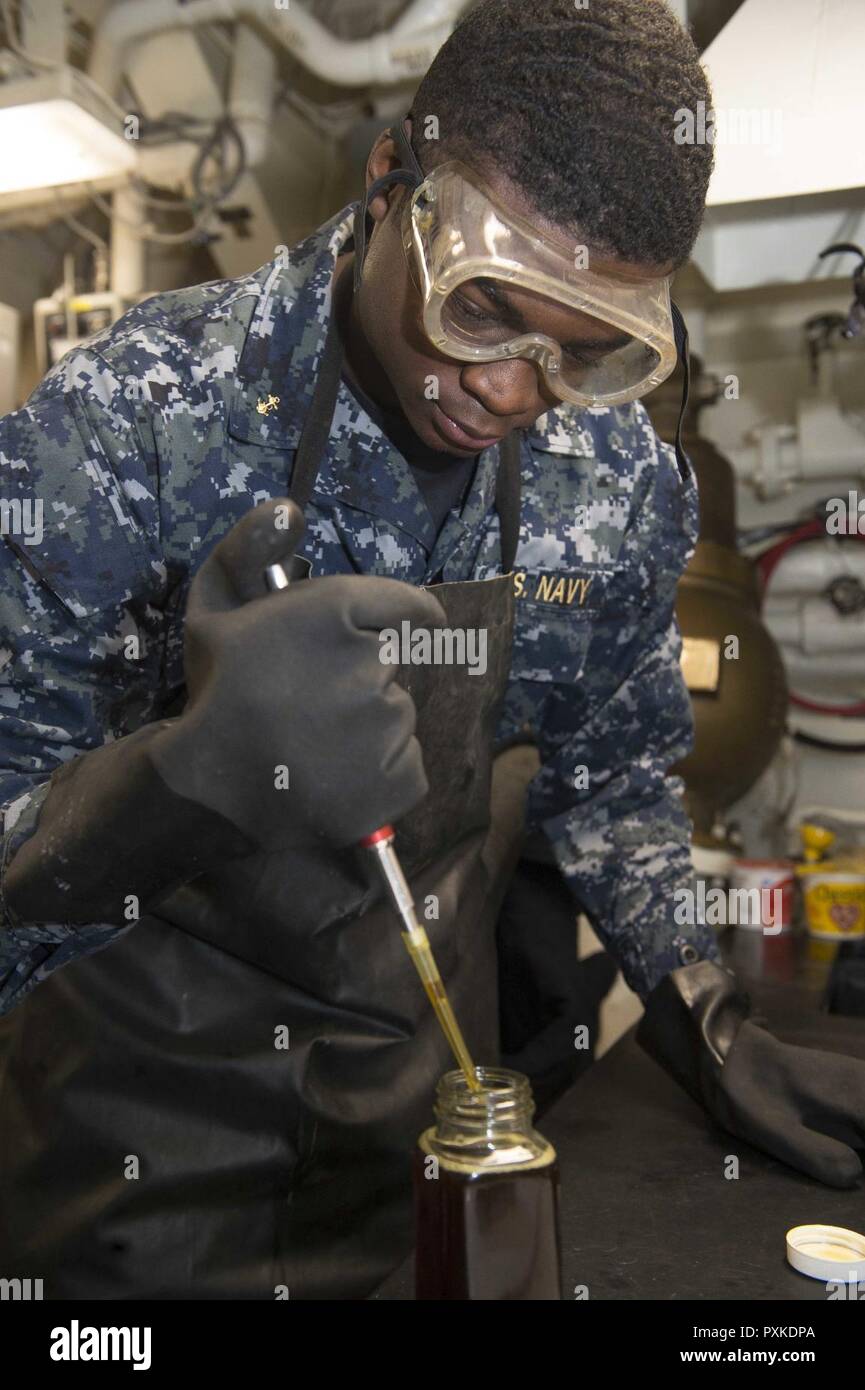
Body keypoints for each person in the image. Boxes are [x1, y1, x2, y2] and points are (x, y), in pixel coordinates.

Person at [1, 0, 862, 1301]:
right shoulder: (127, 427)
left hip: (426, 1174)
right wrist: (170, 781)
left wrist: (698, 996)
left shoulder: (612, 482)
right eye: (483, 309)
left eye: (584, 353)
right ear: (390, 180)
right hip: (129, 1198)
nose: (512, 391)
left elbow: (613, 776)